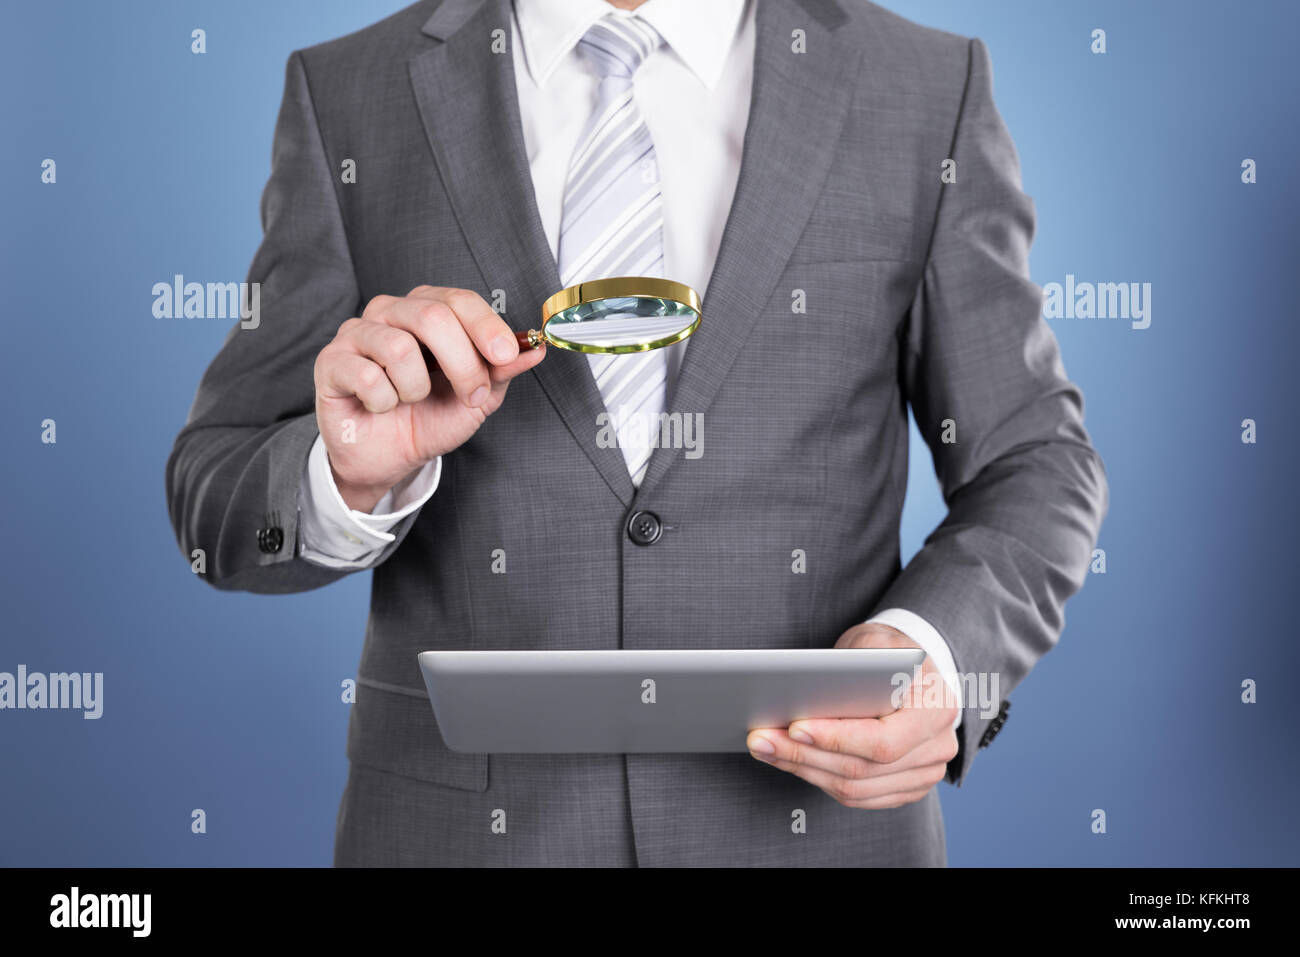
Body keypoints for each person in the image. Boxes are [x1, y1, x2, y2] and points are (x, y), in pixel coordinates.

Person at [166, 0, 1108, 866]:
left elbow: (1036, 463)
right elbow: (214, 498)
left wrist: (934, 658)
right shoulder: (347, 93)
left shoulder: (927, 89)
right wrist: (346, 475)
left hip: (818, 837)